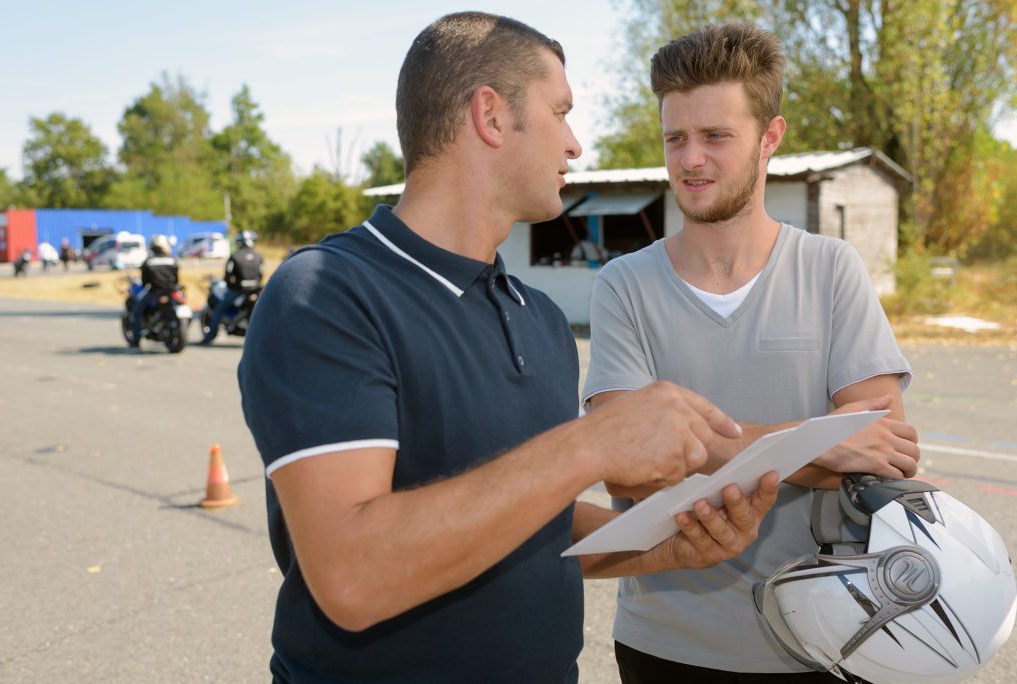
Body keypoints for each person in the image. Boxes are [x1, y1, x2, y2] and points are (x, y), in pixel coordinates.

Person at [238, 12, 780, 683]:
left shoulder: (542, 322)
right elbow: (353, 578)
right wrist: (593, 442)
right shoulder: (326, 293)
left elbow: (525, 524)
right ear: (491, 117)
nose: (577, 143)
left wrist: (666, 546)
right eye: (562, 111)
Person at [582, 24, 920, 683]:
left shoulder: (832, 270)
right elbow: (625, 472)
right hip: (665, 644)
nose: (690, 160)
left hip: (823, 642)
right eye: (675, 138)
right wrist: (817, 444)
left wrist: (690, 453)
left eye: (715, 136)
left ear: (770, 138)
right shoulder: (622, 286)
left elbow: (883, 457)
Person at [200, 230, 262, 344]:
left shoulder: (235, 256)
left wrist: (232, 286)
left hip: (237, 291)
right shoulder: (258, 256)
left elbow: (228, 276)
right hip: (255, 291)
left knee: (218, 311)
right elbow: (260, 275)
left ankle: (209, 337)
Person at [130, 234, 179, 344]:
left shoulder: (148, 261)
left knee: (137, 312)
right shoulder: (173, 260)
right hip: (171, 292)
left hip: (155, 292)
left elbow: (145, 282)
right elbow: (176, 280)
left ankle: (135, 341)